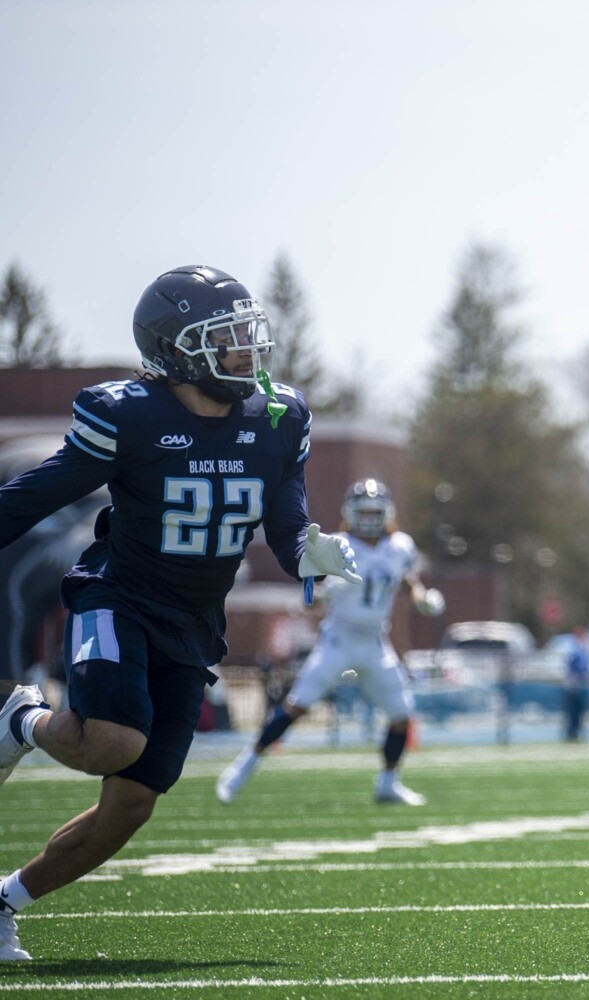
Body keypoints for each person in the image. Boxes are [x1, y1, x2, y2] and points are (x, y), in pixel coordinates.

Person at [0, 265, 359, 961]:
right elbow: (35, 495)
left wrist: (309, 552)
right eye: (225, 340)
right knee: (113, 742)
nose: (246, 353)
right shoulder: (129, 414)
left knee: (130, 805)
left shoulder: (278, 417)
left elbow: (285, 523)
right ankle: (18, 716)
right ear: (177, 350)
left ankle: (3, 899)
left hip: (194, 621)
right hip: (118, 596)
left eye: (248, 336)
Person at [216, 478, 445, 806]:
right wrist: (325, 593)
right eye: (362, 511)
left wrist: (421, 598)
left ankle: (388, 782)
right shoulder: (338, 543)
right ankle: (242, 768)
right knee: (297, 705)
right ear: (350, 513)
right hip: (339, 636)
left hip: (375, 641)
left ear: (387, 513)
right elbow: (311, 598)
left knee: (401, 714)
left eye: (373, 511)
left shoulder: (401, 547)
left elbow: (407, 581)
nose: (368, 518)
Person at [560, 624, 589, 742]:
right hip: (574, 685)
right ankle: (571, 733)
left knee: (581, 711)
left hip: (583, 685)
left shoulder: (584, 648)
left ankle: (578, 733)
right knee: (572, 711)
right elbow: (572, 665)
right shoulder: (571, 647)